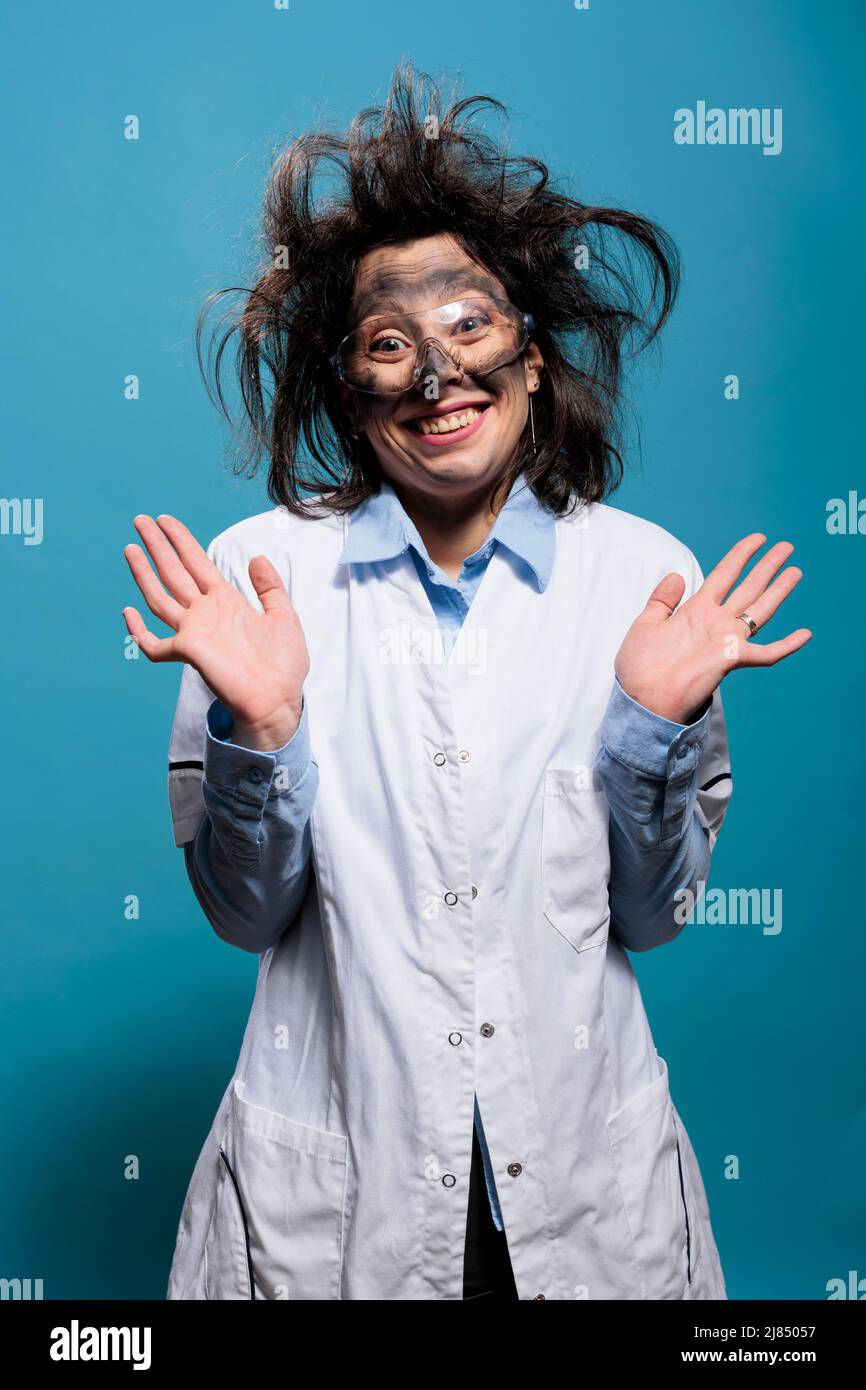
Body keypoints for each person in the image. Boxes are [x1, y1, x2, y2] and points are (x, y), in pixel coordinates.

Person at [122, 62, 810, 1301]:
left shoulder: (646, 577)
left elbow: (648, 918)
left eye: (469, 327)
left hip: (585, 1196)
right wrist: (262, 727)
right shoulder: (258, 578)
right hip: (344, 1208)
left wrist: (650, 727)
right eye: (389, 343)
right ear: (349, 382)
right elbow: (243, 914)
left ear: (533, 358)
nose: (435, 376)